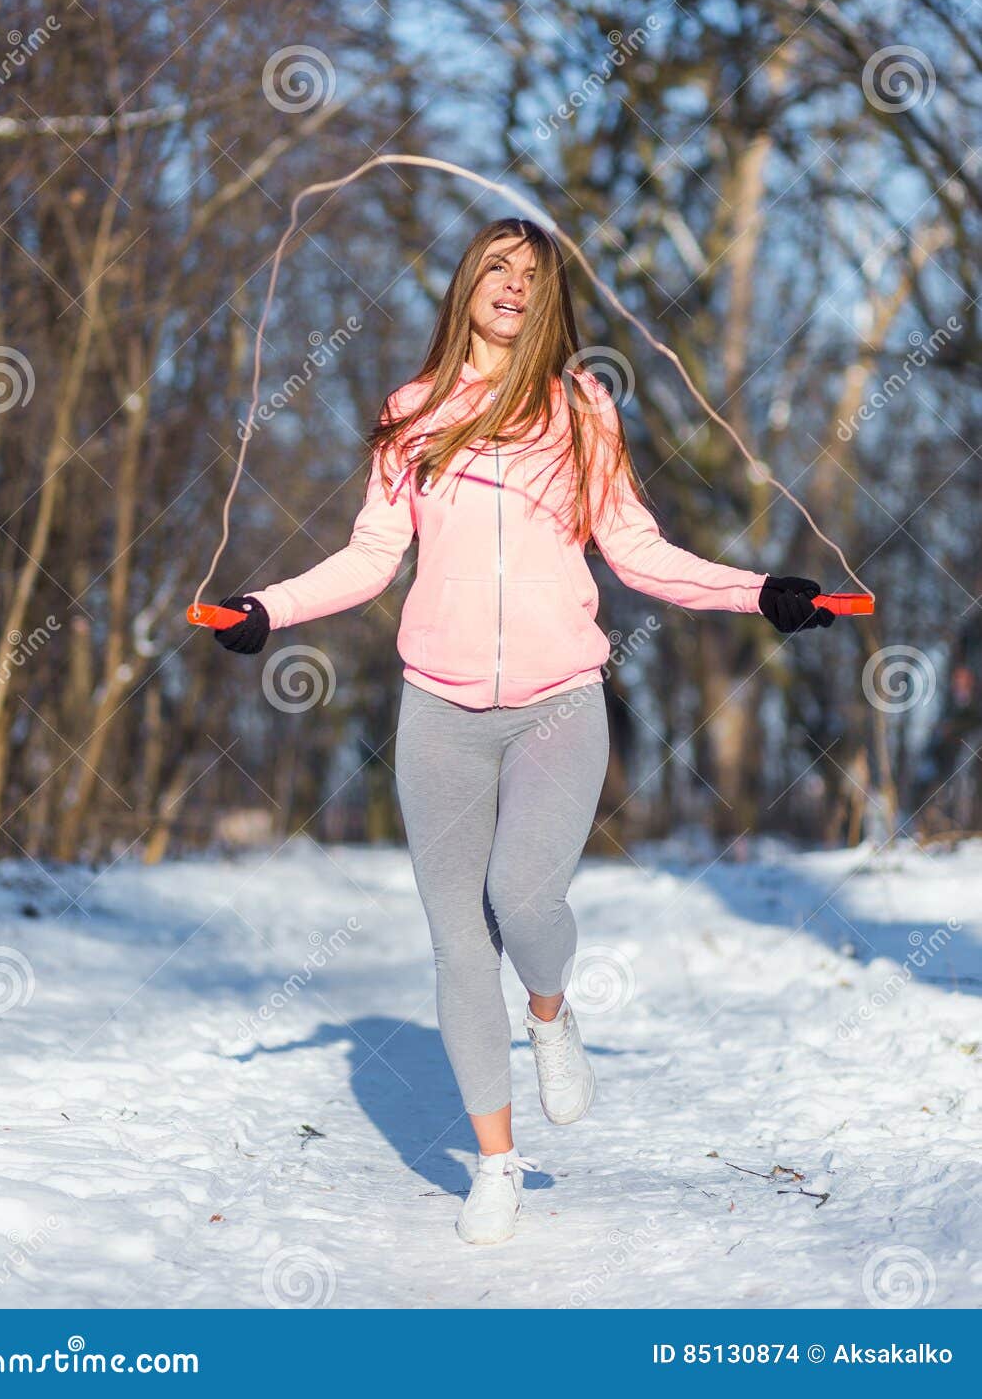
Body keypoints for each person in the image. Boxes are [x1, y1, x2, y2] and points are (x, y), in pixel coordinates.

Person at [215, 218, 834, 1246]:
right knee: (458, 942)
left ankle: (549, 1007)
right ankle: (495, 1163)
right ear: (465, 286)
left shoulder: (578, 409)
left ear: (551, 303)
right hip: (438, 710)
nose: (512, 285)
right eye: (495, 267)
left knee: (522, 898)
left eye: (533, 275)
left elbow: (635, 550)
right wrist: (266, 609)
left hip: (557, 699)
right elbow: (372, 555)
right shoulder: (410, 413)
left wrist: (757, 589)